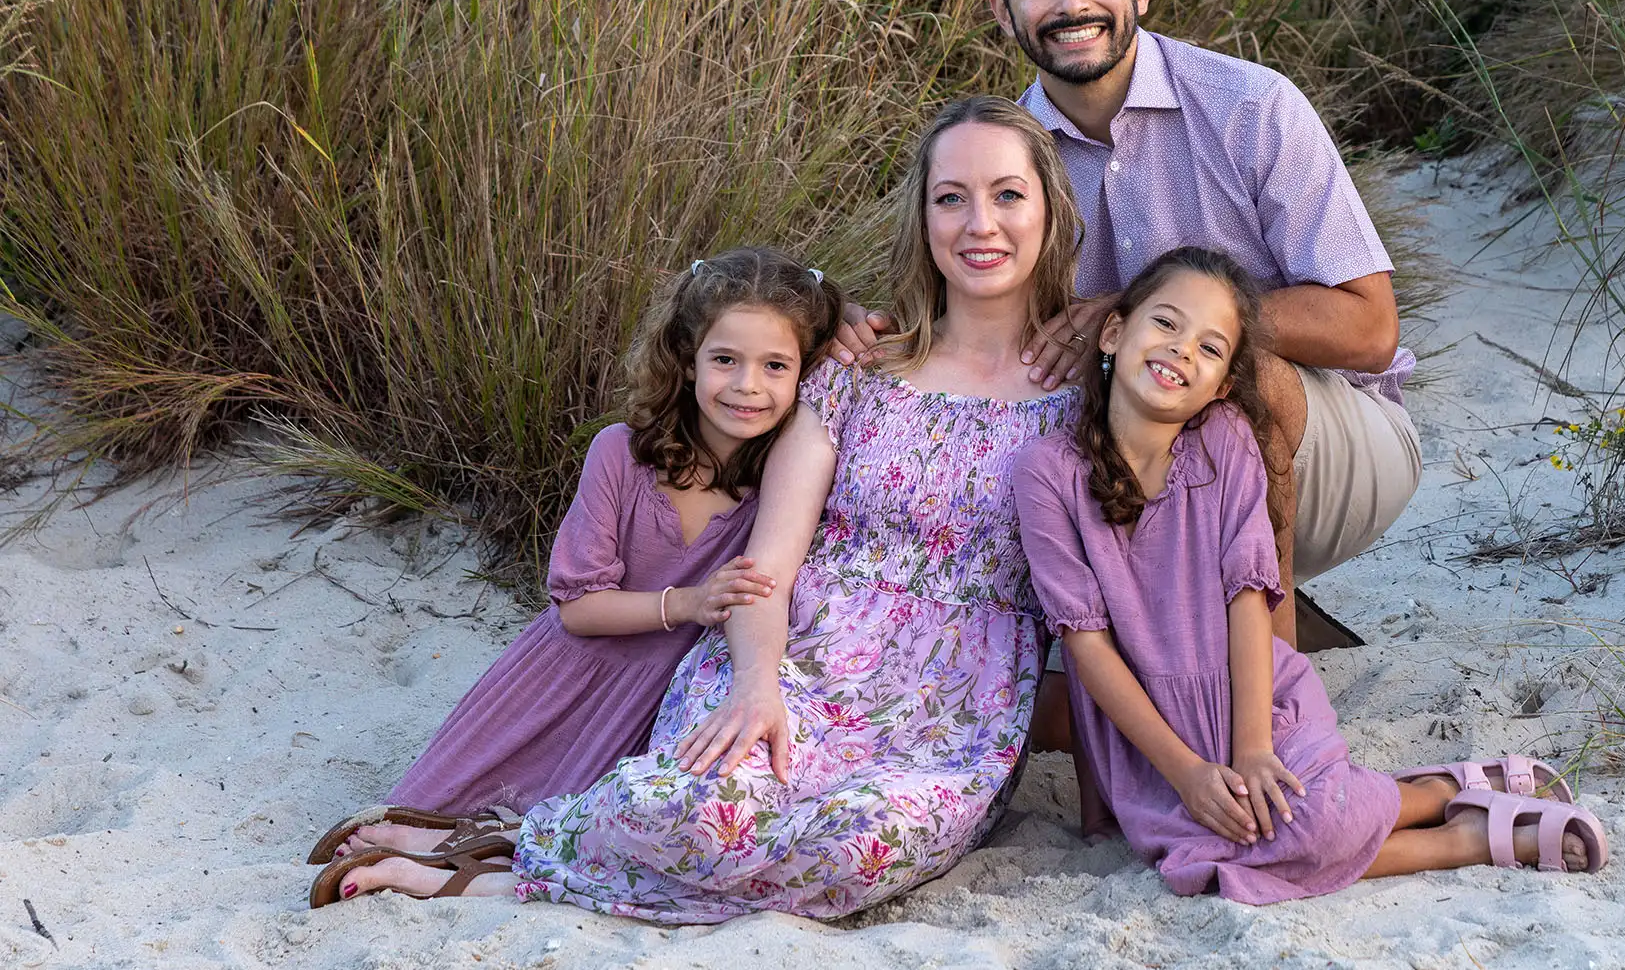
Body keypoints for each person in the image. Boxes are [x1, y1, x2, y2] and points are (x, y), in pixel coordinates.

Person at [314, 96, 1087, 916]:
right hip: (793, 660)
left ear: (1049, 208)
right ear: (923, 215)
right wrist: (758, 685)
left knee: (857, 845)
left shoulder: (1083, 395)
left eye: (1008, 194)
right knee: (698, 810)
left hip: (949, 715)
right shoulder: (856, 373)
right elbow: (769, 566)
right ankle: (489, 860)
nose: (980, 223)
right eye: (951, 197)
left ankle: (500, 855)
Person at [836, 0, 1419, 637]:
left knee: (1225, 383)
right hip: (1142, 465)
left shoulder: (1252, 106)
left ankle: (1276, 698)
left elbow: (1370, 329)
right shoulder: (1010, 163)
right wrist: (831, 318)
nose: (1071, 5)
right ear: (1000, 8)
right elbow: (953, 330)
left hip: (1331, 449)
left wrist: (1139, 314)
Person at [1012, 247, 1605, 902]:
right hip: (1153, 742)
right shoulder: (1047, 473)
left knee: (1293, 820)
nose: (1181, 351)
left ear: (1222, 386)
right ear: (1114, 331)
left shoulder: (1224, 443)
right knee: (1224, 855)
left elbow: (1248, 599)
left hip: (1256, 704)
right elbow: (1086, 643)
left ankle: (1443, 812)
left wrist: (1253, 749)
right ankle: (1446, 814)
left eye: (1210, 348)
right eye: (1166, 324)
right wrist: (1187, 776)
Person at [306, 248, 841, 866]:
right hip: (571, 670)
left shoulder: (781, 485)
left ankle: (475, 848)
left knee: (567, 830)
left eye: (776, 365)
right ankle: (435, 839)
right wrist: (692, 602)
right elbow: (580, 609)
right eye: (726, 360)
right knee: (458, 799)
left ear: (804, 376)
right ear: (688, 361)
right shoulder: (620, 454)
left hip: (657, 692)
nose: (749, 385)